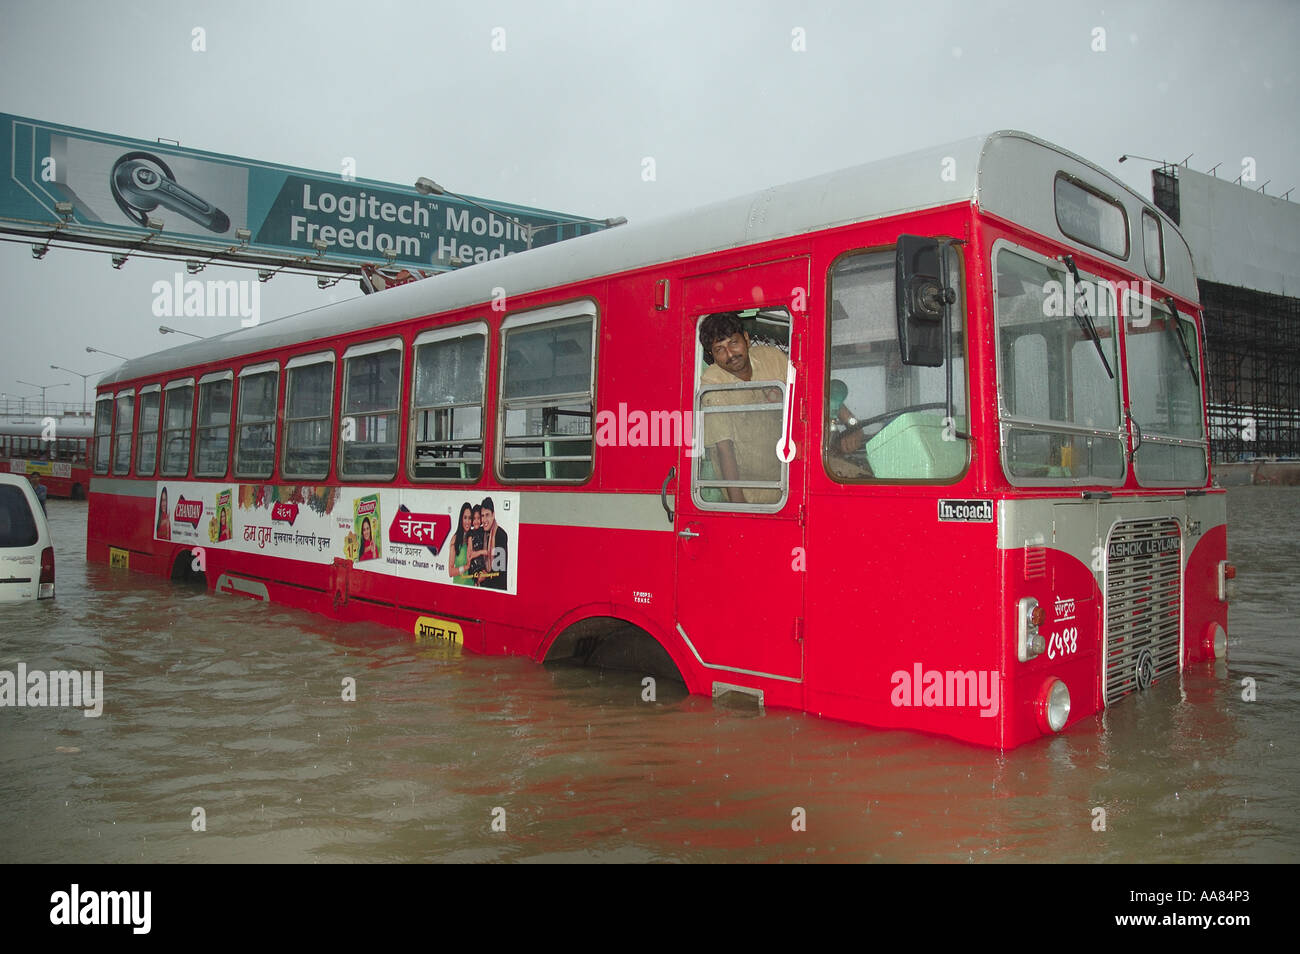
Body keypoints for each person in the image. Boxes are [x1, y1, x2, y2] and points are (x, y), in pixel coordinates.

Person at [698, 313, 789, 504]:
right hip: (751, 494)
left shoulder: (772, 358)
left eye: (733, 342)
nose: (730, 354)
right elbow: (724, 450)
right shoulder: (711, 384)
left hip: (790, 479)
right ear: (712, 355)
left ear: (746, 339)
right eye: (719, 349)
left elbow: (811, 392)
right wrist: (739, 506)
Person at [476, 496, 509, 590]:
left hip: (497, 589)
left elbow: (499, 573)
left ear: (493, 515)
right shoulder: (483, 533)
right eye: (482, 516)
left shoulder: (500, 535)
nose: (484, 520)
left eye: (487, 515)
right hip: (485, 588)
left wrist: (485, 577)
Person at [448, 502, 476, 584]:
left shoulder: (474, 537)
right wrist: (465, 567)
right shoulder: (455, 539)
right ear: (461, 519)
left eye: (470, 518)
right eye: (465, 518)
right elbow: (450, 572)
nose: (467, 521)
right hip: (459, 586)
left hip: (472, 586)